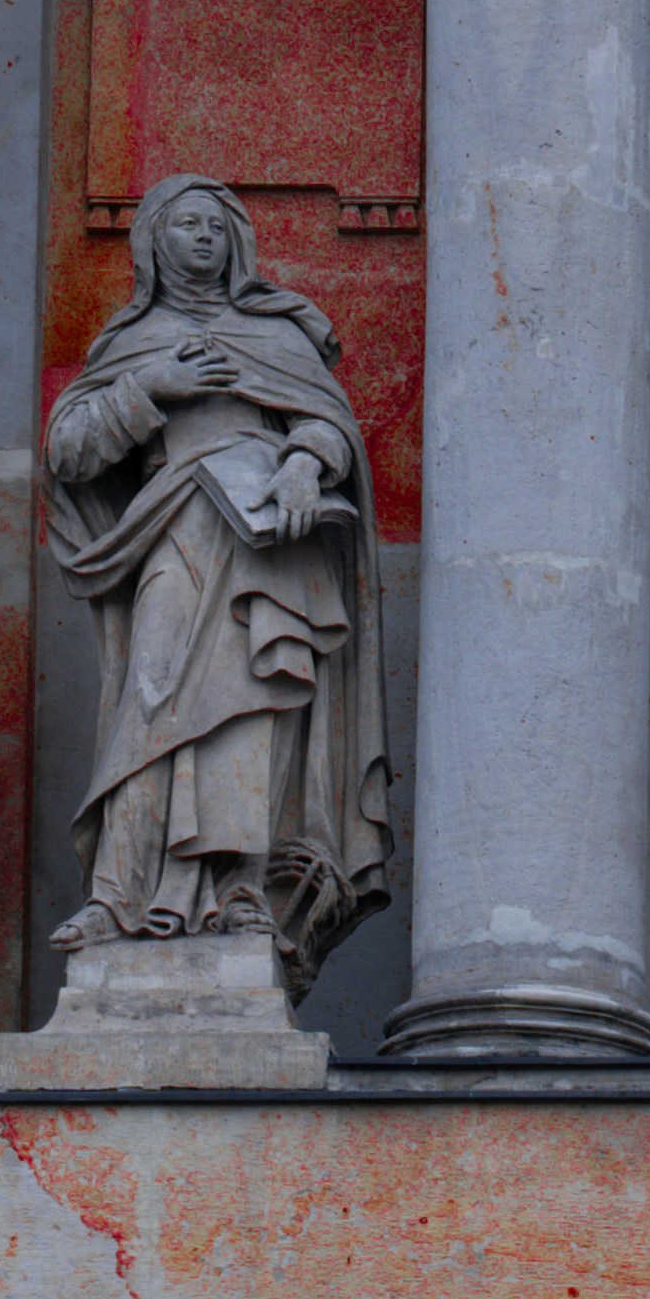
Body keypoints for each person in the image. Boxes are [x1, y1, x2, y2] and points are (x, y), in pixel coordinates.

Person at [49, 179, 396, 985]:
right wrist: (151, 390)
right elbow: (69, 453)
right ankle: (119, 893)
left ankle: (244, 893)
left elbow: (327, 421)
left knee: (254, 712)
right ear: (152, 244)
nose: (202, 238)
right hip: (173, 526)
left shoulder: (275, 334)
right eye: (185, 225)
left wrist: (309, 463)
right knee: (154, 696)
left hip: (269, 539)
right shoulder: (137, 343)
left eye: (215, 225)